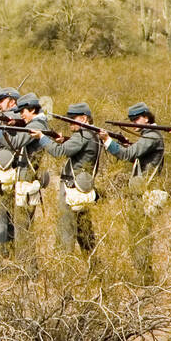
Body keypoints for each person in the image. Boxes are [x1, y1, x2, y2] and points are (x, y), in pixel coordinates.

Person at [99, 101, 166, 277]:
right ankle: (142, 273)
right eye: (132, 119)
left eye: (137, 119)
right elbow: (134, 156)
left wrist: (108, 142)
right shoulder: (149, 135)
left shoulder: (152, 136)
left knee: (141, 234)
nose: (134, 123)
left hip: (145, 193)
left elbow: (128, 155)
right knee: (136, 233)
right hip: (140, 192)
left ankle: (145, 276)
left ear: (146, 117)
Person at [0, 93, 49, 255]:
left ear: (32, 109)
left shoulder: (38, 124)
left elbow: (16, 143)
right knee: (20, 228)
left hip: (27, 181)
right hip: (21, 180)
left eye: (23, 112)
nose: (21, 115)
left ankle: (28, 272)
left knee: (23, 230)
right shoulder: (34, 123)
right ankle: (22, 269)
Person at [39, 102, 101, 254]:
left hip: (72, 189)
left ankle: (64, 269)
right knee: (84, 232)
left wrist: (42, 138)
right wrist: (66, 141)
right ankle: (95, 268)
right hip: (80, 189)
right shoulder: (90, 134)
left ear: (84, 118)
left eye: (73, 118)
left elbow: (58, 152)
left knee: (65, 230)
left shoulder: (84, 134)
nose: (70, 122)